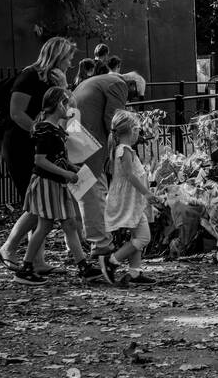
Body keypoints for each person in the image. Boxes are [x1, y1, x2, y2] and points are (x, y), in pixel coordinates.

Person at [0, 37, 76, 268]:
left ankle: (37, 260)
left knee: (40, 208)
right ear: (58, 57)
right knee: (35, 206)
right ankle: (9, 248)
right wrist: (41, 132)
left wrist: (63, 87)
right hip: (22, 147)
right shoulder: (29, 76)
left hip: (41, 147)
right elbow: (16, 112)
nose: (71, 63)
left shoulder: (54, 79)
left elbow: (69, 110)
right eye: (68, 58)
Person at [14, 87, 93, 285]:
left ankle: (83, 266)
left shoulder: (55, 129)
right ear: (58, 105)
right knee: (46, 225)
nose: (69, 108)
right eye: (67, 103)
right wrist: (66, 172)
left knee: (69, 224)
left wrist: (72, 167)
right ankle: (26, 268)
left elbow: (57, 158)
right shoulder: (46, 130)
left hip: (56, 184)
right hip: (47, 183)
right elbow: (40, 160)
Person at [72, 68, 144, 267]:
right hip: (87, 137)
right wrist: (123, 147)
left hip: (75, 132)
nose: (130, 100)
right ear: (131, 85)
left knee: (80, 188)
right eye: (135, 94)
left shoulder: (100, 80)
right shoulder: (119, 85)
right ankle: (100, 243)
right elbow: (113, 121)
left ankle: (79, 240)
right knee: (91, 190)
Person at [99, 109, 163, 286]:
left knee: (137, 236)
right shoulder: (124, 150)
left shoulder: (123, 149)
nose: (138, 134)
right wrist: (147, 193)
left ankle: (134, 273)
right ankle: (111, 261)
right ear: (132, 131)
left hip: (134, 202)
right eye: (137, 130)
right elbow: (129, 175)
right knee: (143, 238)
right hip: (130, 202)